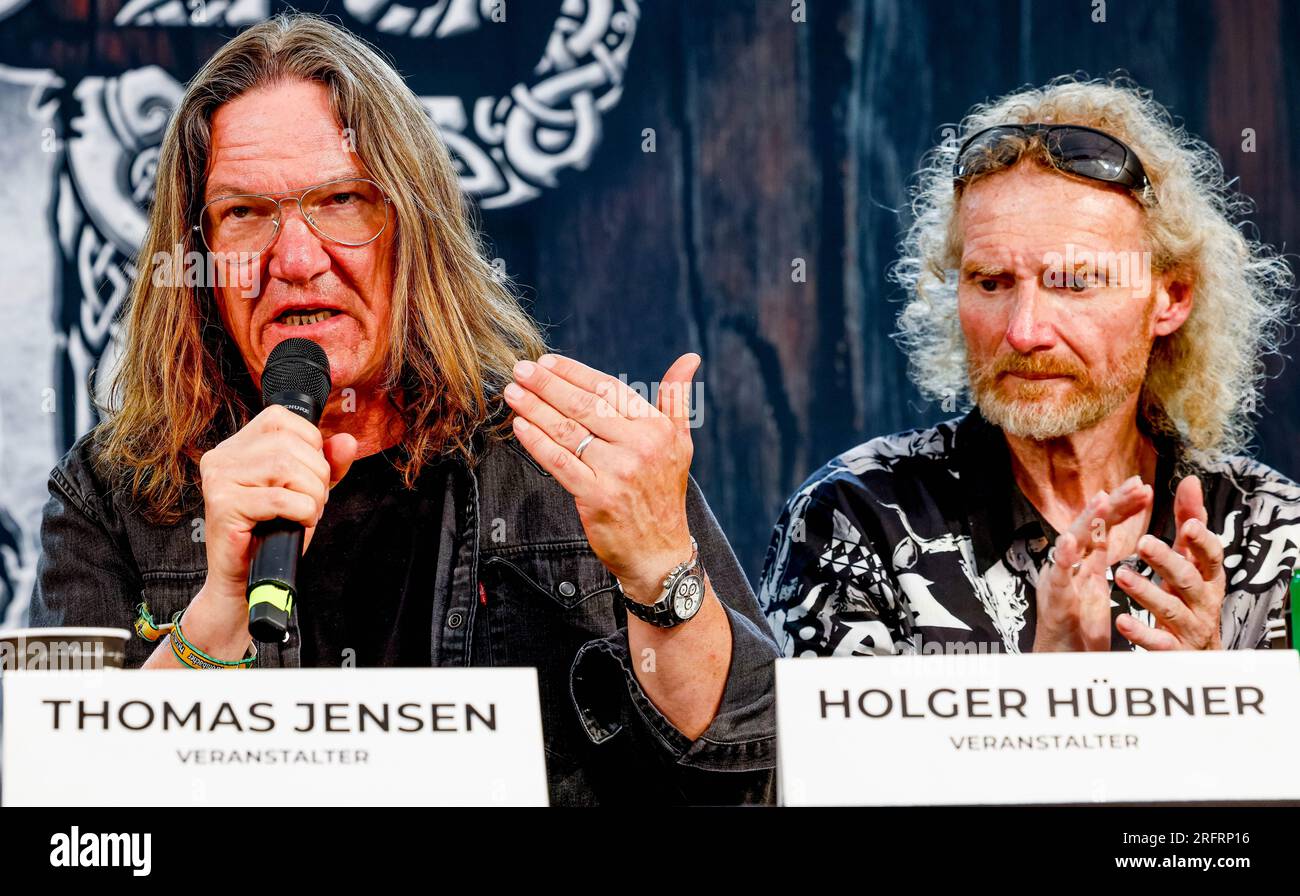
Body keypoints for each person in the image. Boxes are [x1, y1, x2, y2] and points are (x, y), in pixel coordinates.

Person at [30, 13, 776, 806]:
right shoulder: (113, 492)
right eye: (245, 213)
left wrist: (663, 571)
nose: (294, 258)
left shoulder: (565, 453)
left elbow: (750, 774)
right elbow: (78, 825)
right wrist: (219, 612)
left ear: (412, 226)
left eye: (342, 200)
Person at [760, 77, 1298, 657]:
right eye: (990, 282)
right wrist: (1043, 688)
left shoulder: (1277, 533)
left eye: (1073, 283)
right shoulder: (855, 518)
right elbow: (823, 751)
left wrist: (1217, 702)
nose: (1023, 332)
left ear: (1170, 297)